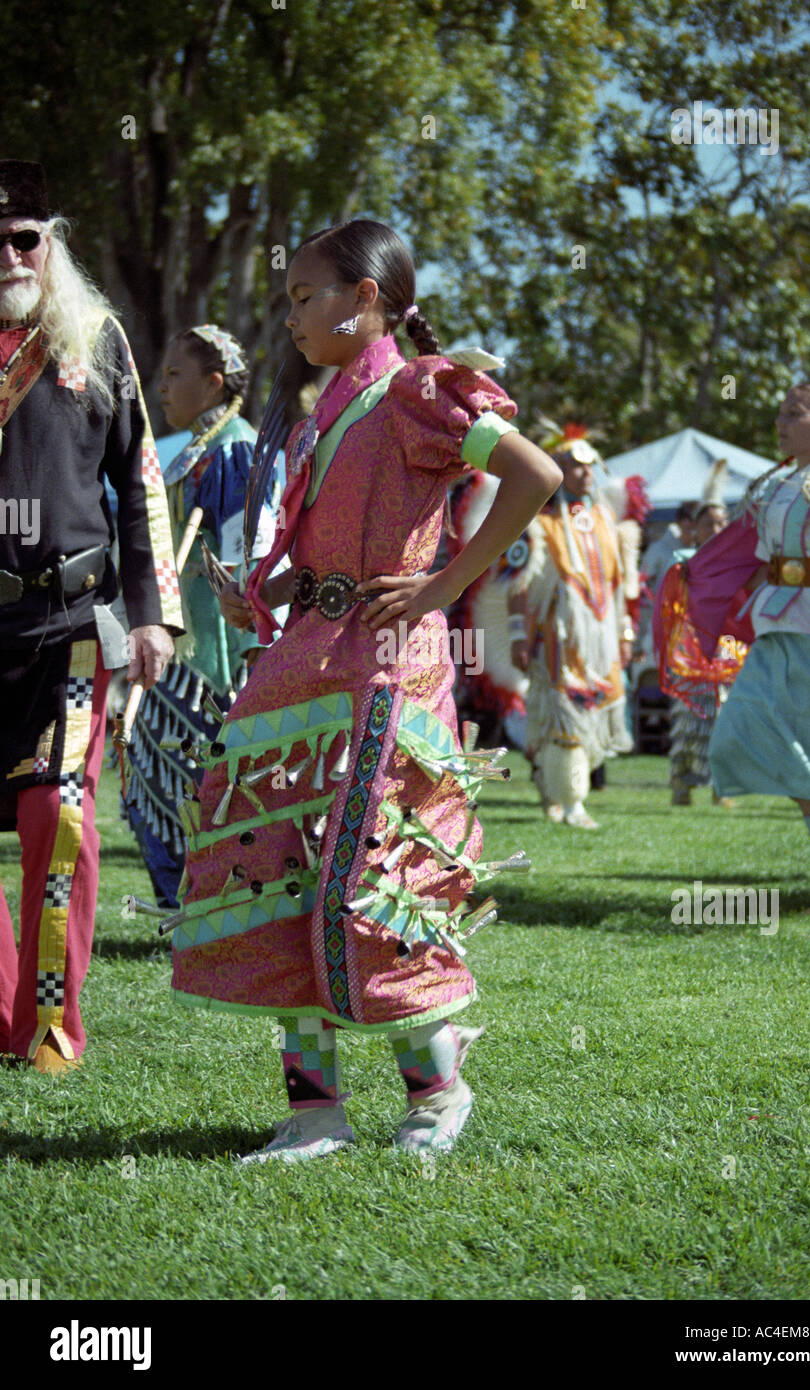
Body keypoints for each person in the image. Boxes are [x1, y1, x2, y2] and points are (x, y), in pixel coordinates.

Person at [167, 219, 561, 1160]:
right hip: (305, 658)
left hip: (389, 665)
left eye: (308, 297)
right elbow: (317, 541)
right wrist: (268, 587)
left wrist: (442, 583)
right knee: (281, 872)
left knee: (376, 874)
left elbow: (534, 476)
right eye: (291, 297)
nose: (292, 313)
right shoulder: (321, 413)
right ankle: (314, 1110)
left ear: (367, 299)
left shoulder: (423, 392)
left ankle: (437, 1094)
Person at [0, 160, 182, 1071]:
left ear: (50, 242)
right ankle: (2, 1013)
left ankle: (48, 1030)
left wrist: (152, 614)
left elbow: (140, 482)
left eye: (24, 236)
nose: (9, 252)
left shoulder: (94, 338)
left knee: (60, 821)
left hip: (69, 628)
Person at [661, 383, 810, 910]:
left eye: (794, 413)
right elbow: (742, 554)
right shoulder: (776, 484)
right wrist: (697, 573)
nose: (781, 421)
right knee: (751, 738)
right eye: (781, 412)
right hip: (780, 625)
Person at [123, 325, 278, 908]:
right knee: (154, 773)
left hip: (215, 652)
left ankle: (213, 908)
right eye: (160, 375)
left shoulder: (235, 448)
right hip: (178, 642)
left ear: (214, 383)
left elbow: (247, 552)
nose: (160, 386)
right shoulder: (192, 448)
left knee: (201, 778)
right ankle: (185, 908)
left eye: (174, 374)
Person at [504, 427, 634, 830]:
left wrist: (626, 633)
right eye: (575, 467)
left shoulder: (605, 519)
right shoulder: (536, 521)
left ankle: (556, 788)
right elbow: (516, 582)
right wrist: (517, 635)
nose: (586, 475)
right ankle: (570, 800)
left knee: (591, 711)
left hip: (600, 635)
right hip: (556, 632)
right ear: (557, 469)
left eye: (589, 467)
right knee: (561, 713)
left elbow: (621, 583)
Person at [667, 502, 733, 806]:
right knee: (691, 719)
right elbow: (672, 607)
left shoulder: (738, 564)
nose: (716, 529)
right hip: (691, 647)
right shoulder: (684, 562)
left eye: (722, 523)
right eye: (710, 523)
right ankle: (682, 785)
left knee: (728, 716)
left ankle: (723, 789)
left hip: (729, 648)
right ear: (694, 529)